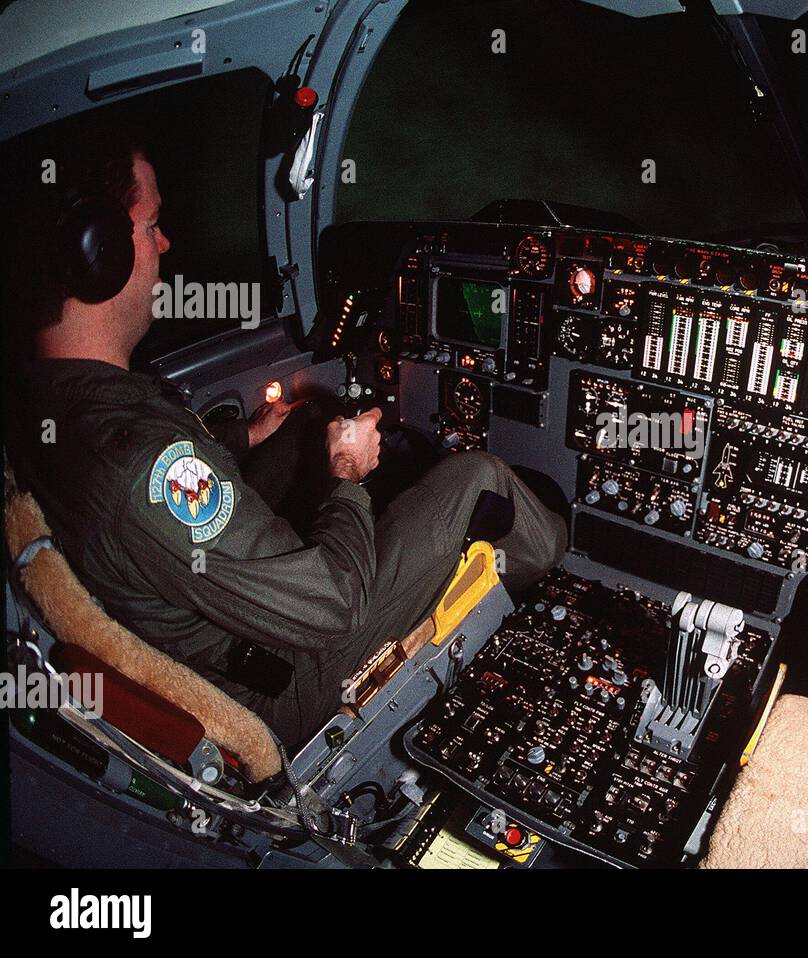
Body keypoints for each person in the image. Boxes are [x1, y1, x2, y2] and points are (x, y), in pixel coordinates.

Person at [7, 131, 567, 748]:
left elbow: (153, 480)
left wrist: (240, 436)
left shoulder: (50, 398)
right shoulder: (142, 465)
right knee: (478, 477)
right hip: (283, 683)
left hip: (209, 630)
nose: (164, 242)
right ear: (99, 251)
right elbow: (331, 607)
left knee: (302, 422)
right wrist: (349, 475)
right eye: (151, 225)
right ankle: (561, 570)